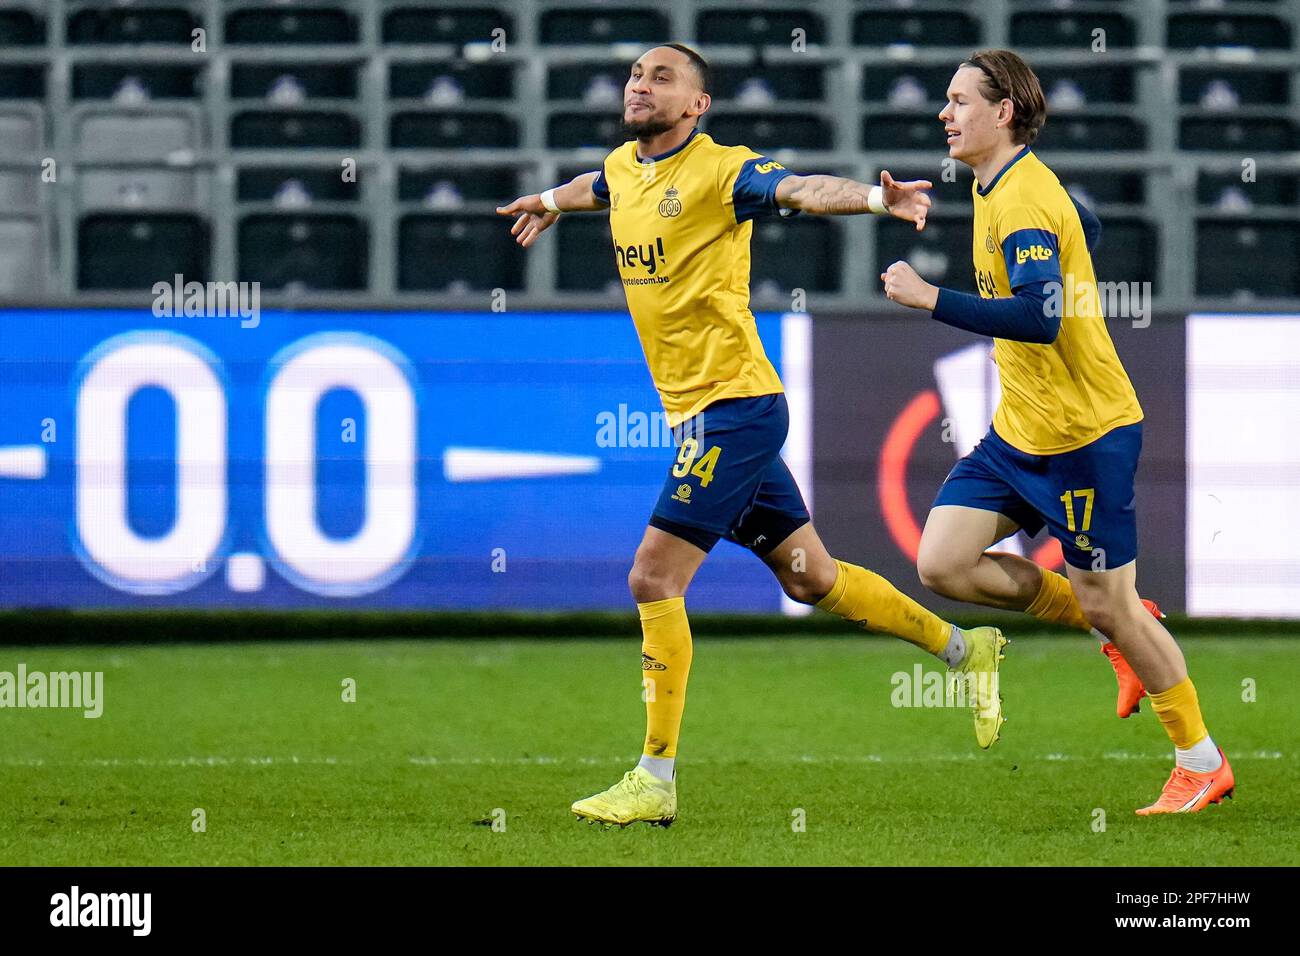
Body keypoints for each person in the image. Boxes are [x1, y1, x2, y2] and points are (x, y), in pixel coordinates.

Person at [497, 42, 1007, 828]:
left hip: (734, 408)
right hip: (708, 414)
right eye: (636, 74)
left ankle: (654, 779)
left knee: (651, 579)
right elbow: (597, 187)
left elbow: (800, 189)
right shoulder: (624, 168)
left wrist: (875, 203)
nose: (641, 84)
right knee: (811, 579)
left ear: (697, 106)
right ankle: (965, 650)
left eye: (662, 77)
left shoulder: (723, 170)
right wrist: (546, 200)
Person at [880, 49, 1234, 814]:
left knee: (1110, 602)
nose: (944, 112)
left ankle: (1200, 759)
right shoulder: (1001, 186)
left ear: (1003, 111)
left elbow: (1041, 318)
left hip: (1084, 434)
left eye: (958, 100)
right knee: (942, 562)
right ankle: (1121, 620)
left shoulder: (1019, 200)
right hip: (1021, 432)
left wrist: (927, 297)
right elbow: (1085, 229)